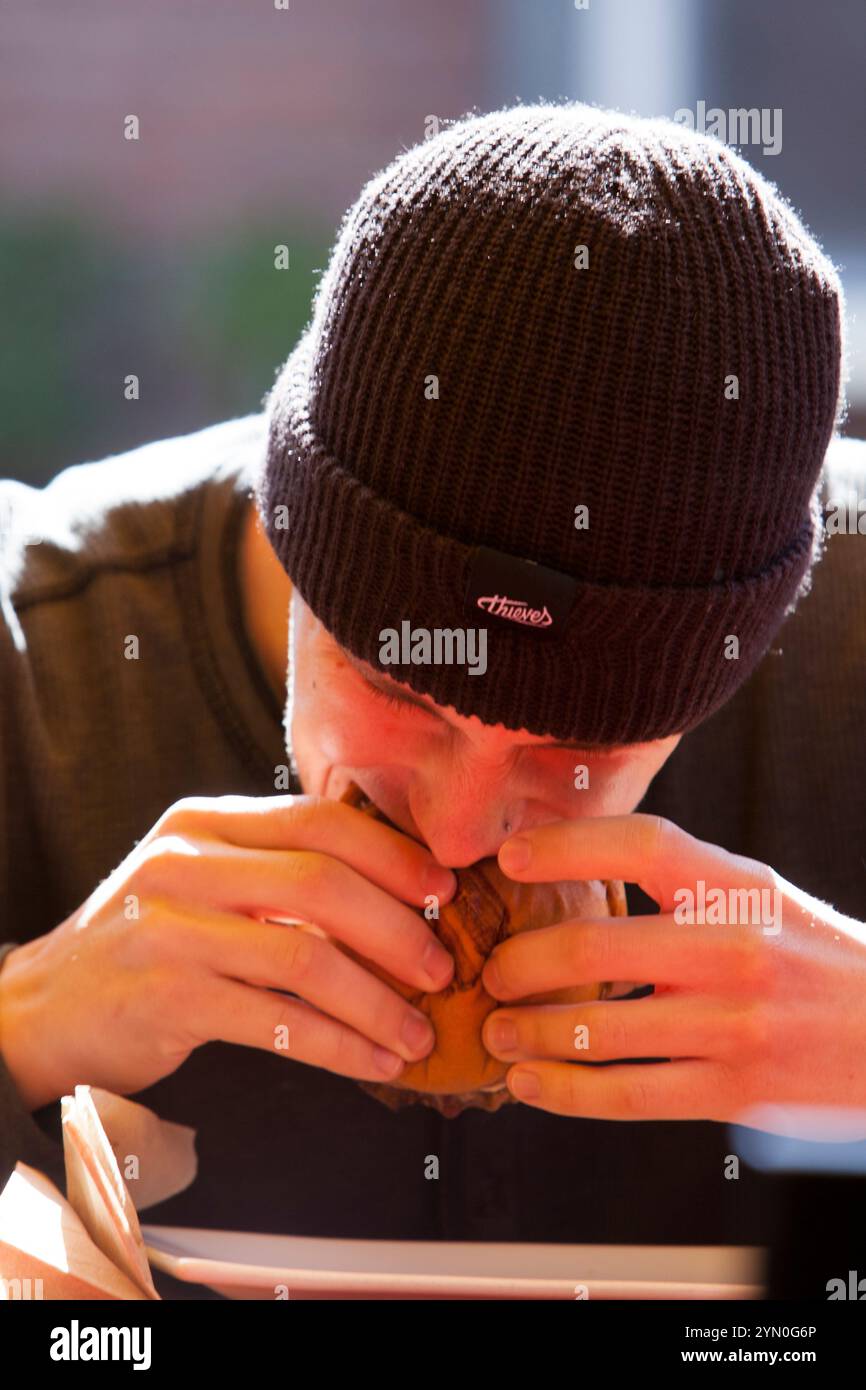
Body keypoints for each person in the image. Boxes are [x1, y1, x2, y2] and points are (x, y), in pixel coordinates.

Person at [1, 102, 864, 1254]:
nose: (458, 834)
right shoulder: (35, 656)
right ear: (290, 535)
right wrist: (23, 1027)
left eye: (577, 748)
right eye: (399, 689)